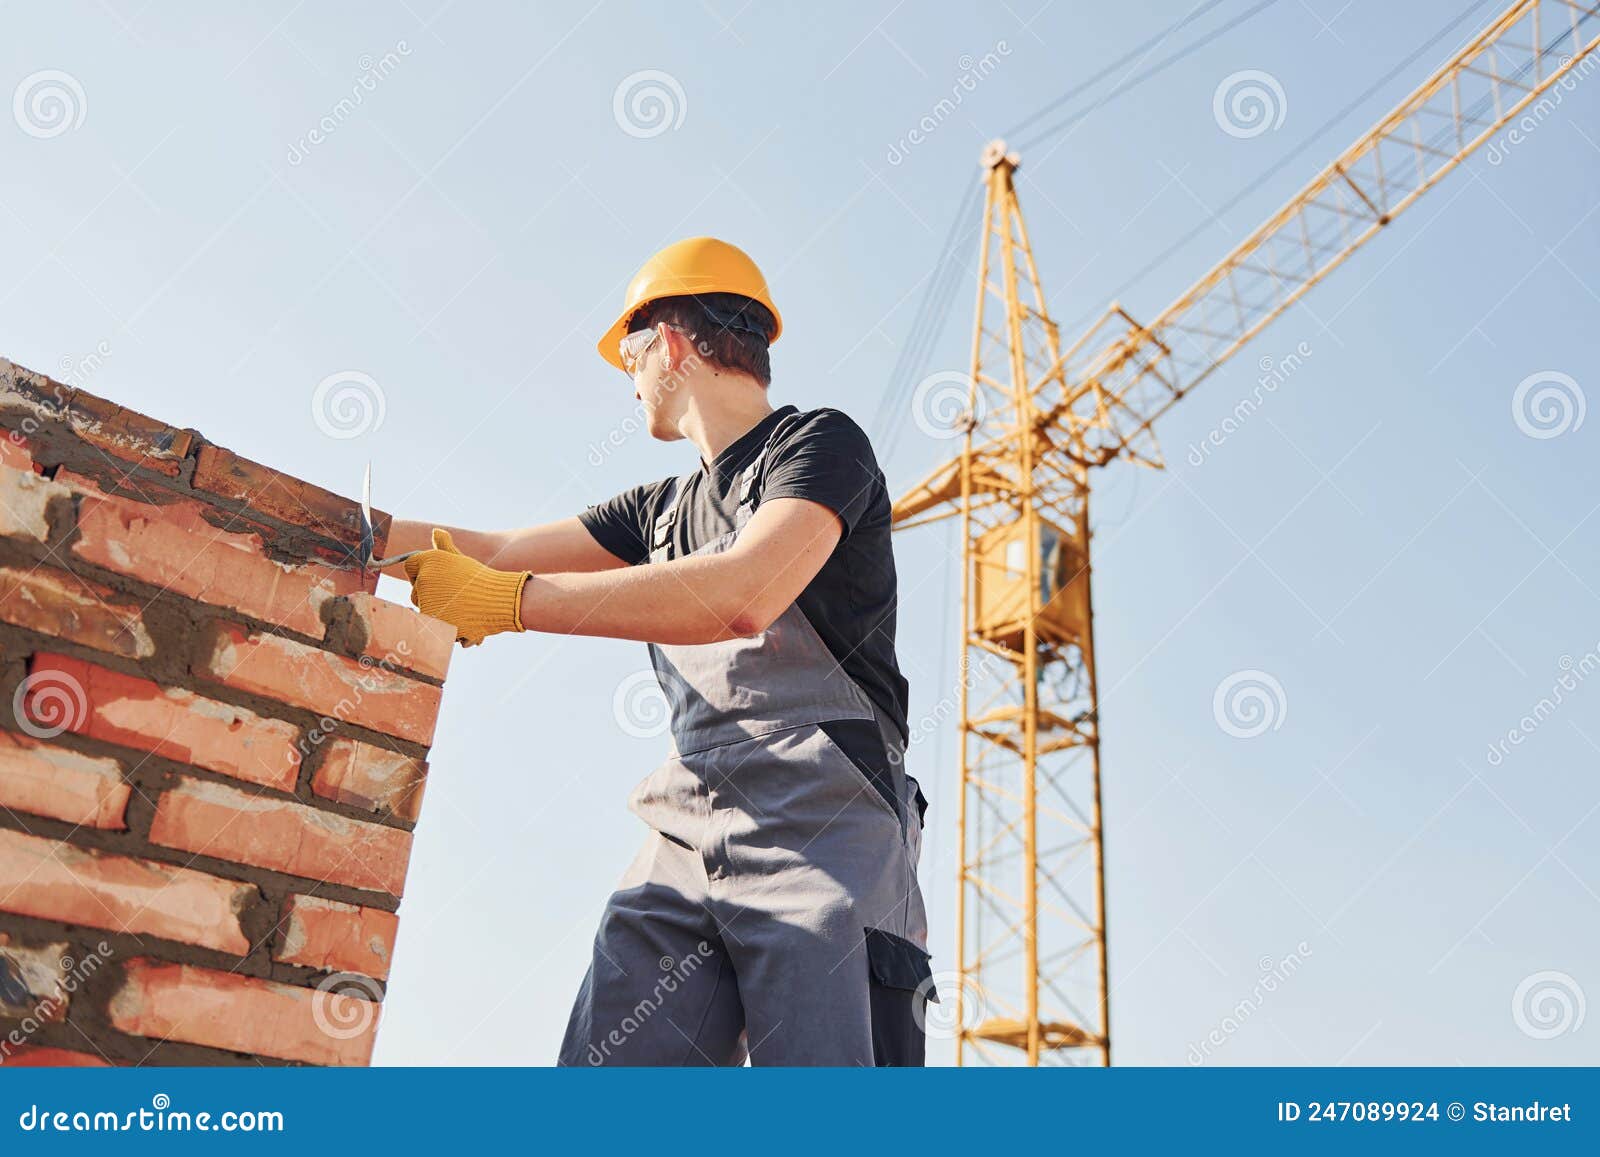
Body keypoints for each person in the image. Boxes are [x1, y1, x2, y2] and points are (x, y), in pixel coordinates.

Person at [390, 237, 934, 1065]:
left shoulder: (820, 446)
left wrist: (514, 605)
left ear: (670, 345)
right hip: (687, 822)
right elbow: (491, 550)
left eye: (630, 358)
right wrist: (336, 530)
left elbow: (743, 593)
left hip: (826, 822)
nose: (631, 381)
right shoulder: (659, 510)